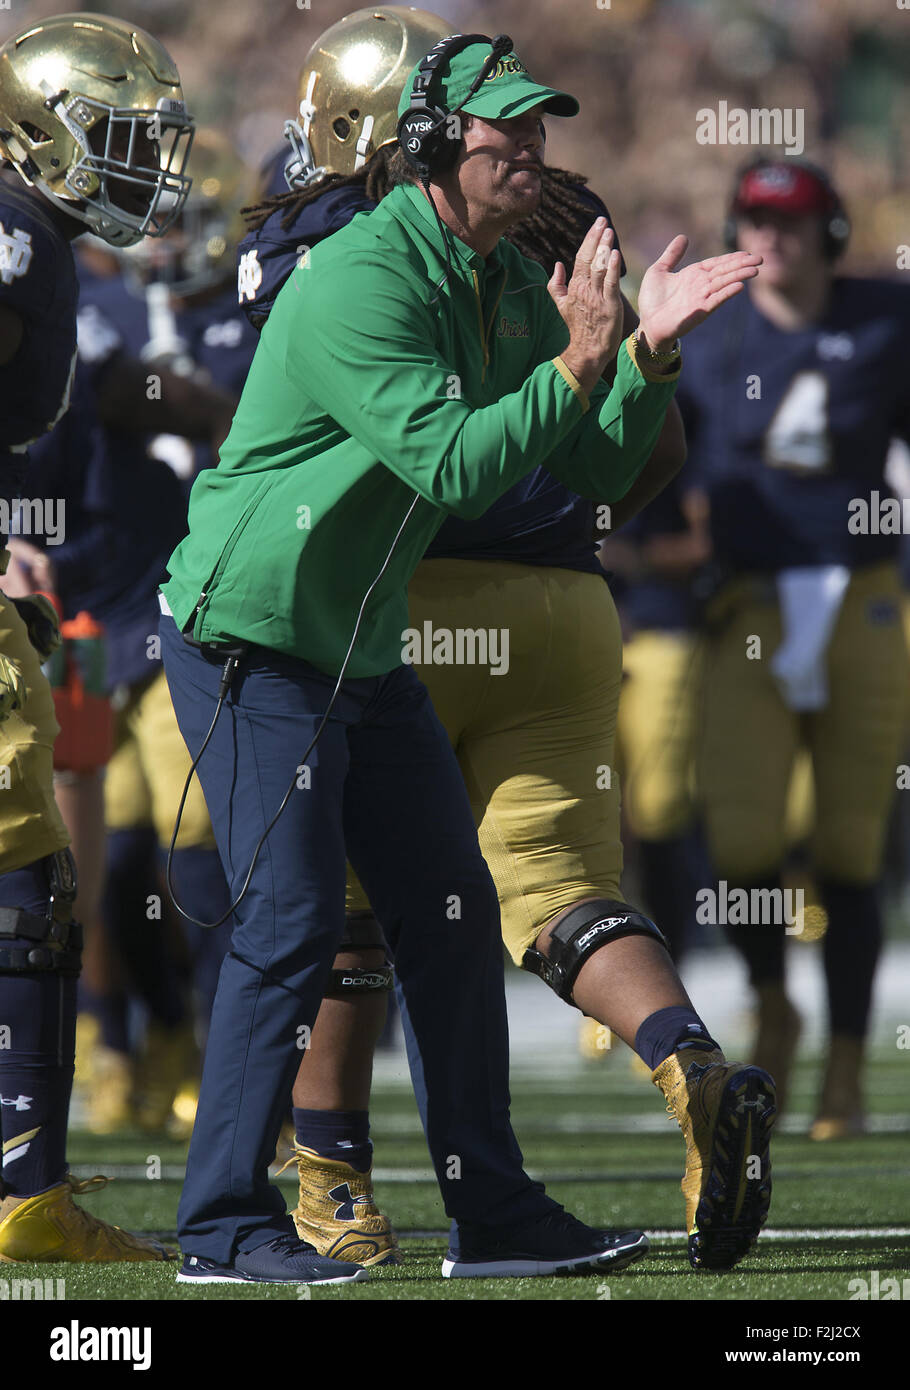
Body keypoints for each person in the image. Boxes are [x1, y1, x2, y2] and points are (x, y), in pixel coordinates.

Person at [160, 32, 766, 1285]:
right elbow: (453, 465)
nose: (534, 156)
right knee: (285, 932)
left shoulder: (489, 274)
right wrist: (582, 360)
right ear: (433, 146)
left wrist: (641, 358)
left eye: (541, 133)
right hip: (256, 635)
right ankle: (221, 1224)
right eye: (509, 135)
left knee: (449, 919)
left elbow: (590, 467)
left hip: (356, 648)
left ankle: (488, 1212)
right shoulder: (364, 275)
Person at [0, 12, 194, 1262]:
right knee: (26, 864)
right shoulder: (14, 233)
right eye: (120, 139)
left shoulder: (33, 235)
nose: (144, 166)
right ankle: (24, 1191)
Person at [678, 157, 910, 1133]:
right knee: (739, 839)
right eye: (751, 219)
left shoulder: (886, 317)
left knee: (852, 846)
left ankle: (847, 1069)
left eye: (788, 220)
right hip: (748, 602)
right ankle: (774, 1003)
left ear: (829, 228)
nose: (766, 236)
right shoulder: (708, 326)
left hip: (861, 596)